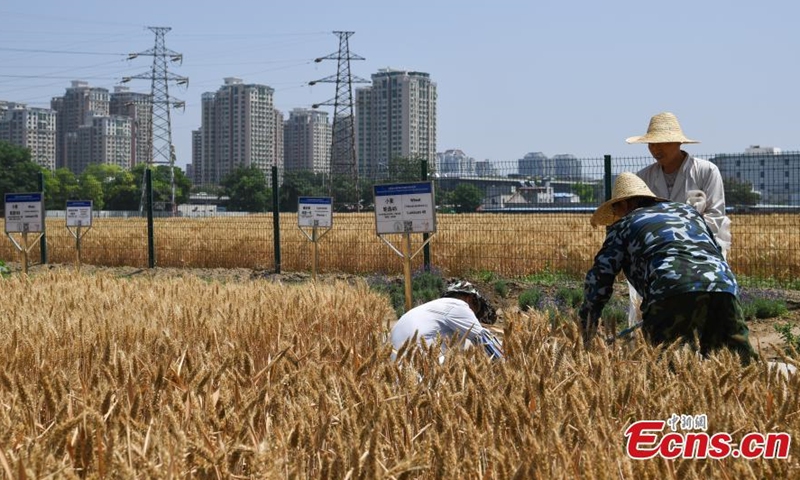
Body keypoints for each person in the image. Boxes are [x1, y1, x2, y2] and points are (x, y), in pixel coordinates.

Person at [579, 172, 756, 365]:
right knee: (739, 365)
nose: (616, 215)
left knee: (670, 370)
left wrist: (587, 323)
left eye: (616, 208)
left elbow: (600, 277)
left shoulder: (624, 225)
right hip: (723, 286)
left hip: (670, 290)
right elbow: (714, 250)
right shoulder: (688, 212)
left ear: (626, 204)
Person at [625, 112, 732, 326]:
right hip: (658, 252)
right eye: (651, 144)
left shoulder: (706, 171)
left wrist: (682, 236)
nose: (656, 149)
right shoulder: (643, 178)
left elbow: (715, 215)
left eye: (662, 143)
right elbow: (637, 219)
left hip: (703, 249)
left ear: (678, 142)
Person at [390, 281, 503, 361]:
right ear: (469, 299)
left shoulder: (428, 308)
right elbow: (484, 340)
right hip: (421, 367)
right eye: (476, 311)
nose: (474, 317)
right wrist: (509, 368)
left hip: (398, 370)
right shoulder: (458, 305)